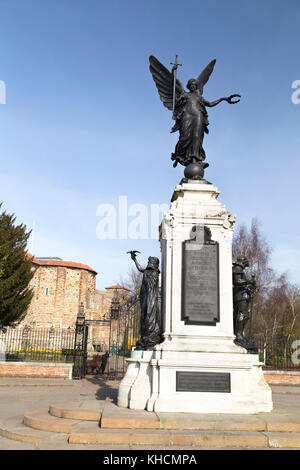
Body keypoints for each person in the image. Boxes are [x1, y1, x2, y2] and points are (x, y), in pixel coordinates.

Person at [129, 252, 163, 350]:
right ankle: (147, 336)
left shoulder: (156, 274)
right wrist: (134, 259)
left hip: (154, 298)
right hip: (147, 297)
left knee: (153, 316)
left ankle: (152, 336)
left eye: (150, 262)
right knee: (146, 315)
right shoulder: (148, 272)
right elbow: (140, 268)